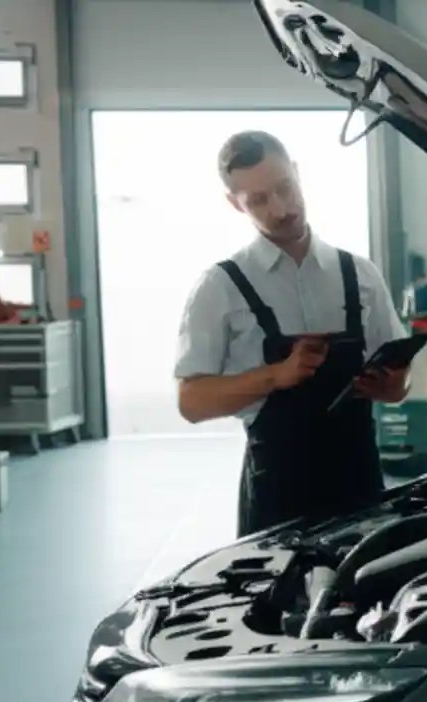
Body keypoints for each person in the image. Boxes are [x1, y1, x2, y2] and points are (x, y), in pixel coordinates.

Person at [174, 130, 410, 537]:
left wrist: (390, 385)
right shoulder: (219, 287)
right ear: (234, 203)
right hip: (276, 496)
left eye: (285, 188)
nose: (281, 208)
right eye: (259, 200)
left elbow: (401, 383)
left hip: (360, 487)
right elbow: (191, 402)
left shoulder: (360, 275)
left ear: (298, 174)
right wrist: (275, 376)